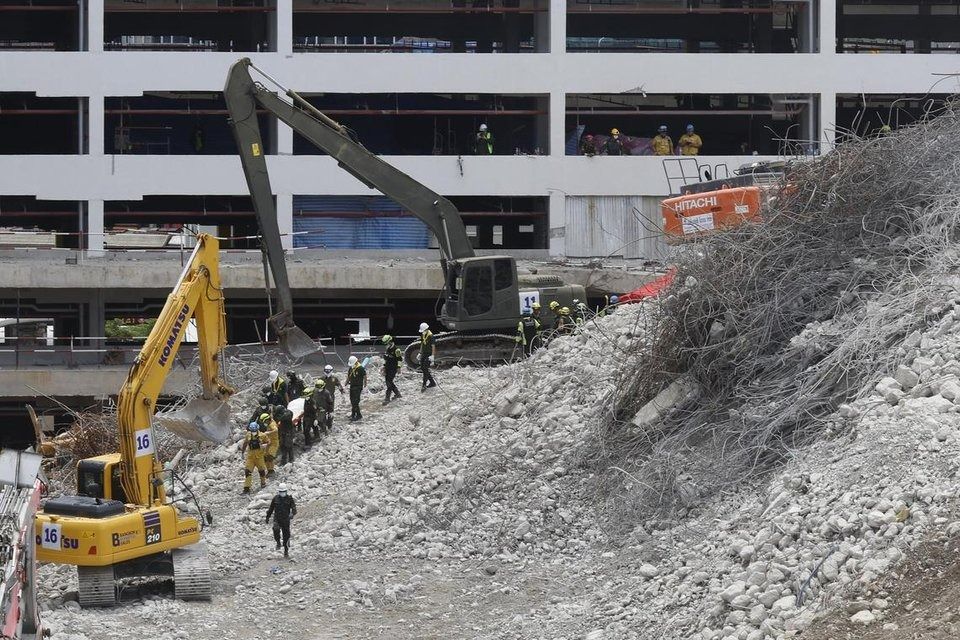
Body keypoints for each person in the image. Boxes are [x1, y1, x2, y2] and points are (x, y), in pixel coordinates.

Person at [265, 483, 297, 557]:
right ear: (279, 492)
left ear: (286, 491)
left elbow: (294, 509)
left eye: (283, 491)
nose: (282, 493)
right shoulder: (275, 498)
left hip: (286, 519)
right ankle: (278, 542)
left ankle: (286, 550)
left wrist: (292, 514)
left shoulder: (290, 499)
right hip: (277, 518)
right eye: (281, 492)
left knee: (286, 535)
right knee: (275, 529)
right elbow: (271, 508)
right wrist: (267, 517)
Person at [240, 422, 269, 494]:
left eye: (254, 431)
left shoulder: (263, 435)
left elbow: (269, 442)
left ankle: (263, 483)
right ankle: (246, 488)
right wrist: (242, 452)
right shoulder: (248, 435)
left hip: (259, 456)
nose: (253, 432)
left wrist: (265, 445)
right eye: (252, 431)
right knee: (248, 471)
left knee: (261, 470)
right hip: (251, 457)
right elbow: (245, 443)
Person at [382, 334, 403, 404]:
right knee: (389, 381)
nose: (385, 345)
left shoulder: (396, 350)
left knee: (389, 382)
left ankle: (387, 398)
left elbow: (400, 359)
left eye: (386, 343)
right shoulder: (388, 349)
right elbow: (386, 359)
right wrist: (384, 366)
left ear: (390, 341)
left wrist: (399, 367)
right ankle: (398, 394)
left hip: (393, 368)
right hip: (388, 367)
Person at [258, 412, 279, 476]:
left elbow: (276, 430)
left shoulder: (272, 424)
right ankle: (268, 470)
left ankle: (271, 470)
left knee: (270, 456)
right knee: (265, 457)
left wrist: (268, 433)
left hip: (274, 443)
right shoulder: (270, 423)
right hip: (269, 442)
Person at [346, 356, 366, 421]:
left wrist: (365, 384)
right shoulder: (351, 368)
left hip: (358, 386)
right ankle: (353, 414)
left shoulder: (360, 368)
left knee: (355, 401)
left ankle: (358, 415)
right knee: (352, 400)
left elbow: (365, 376)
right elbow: (349, 376)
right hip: (352, 385)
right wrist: (346, 382)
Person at [418, 322, 437, 391]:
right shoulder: (423, 335)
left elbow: (433, 347)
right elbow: (422, 344)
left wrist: (432, 356)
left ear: (426, 329)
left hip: (429, 354)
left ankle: (424, 385)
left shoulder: (431, 336)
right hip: (424, 353)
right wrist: (420, 353)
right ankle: (432, 382)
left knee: (425, 368)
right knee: (423, 368)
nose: (422, 332)